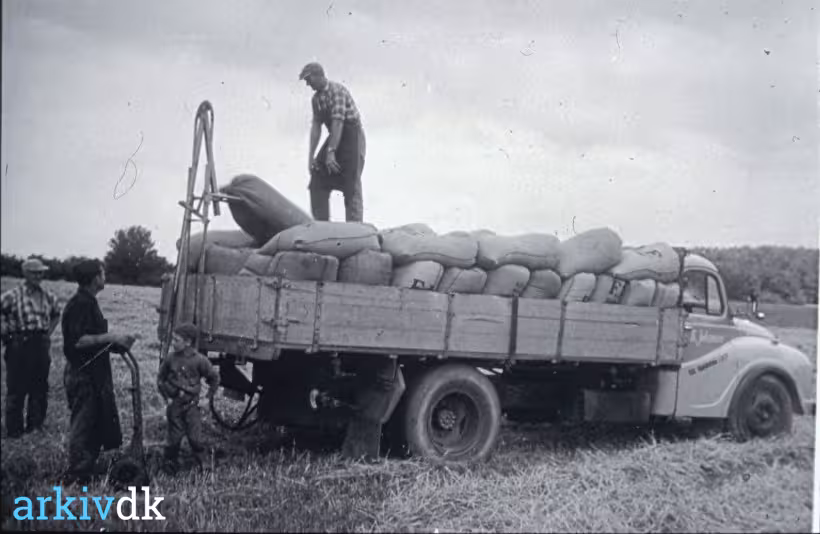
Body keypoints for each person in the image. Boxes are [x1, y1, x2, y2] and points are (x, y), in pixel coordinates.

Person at [61, 259, 136, 485]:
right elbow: (79, 341)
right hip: (83, 375)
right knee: (84, 423)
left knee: (93, 420)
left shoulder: (88, 302)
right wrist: (111, 337)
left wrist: (116, 344)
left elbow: (93, 340)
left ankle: (86, 469)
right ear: (94, 278)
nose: (105, 277)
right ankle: (76, 475)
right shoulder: (80, 304)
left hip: (93, 372)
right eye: (102, 274)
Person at [0, 258, 62, 438]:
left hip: (41, 345)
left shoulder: (48, 295)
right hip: (19, 344)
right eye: (35, 272)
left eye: (41, 272)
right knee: (17, 389)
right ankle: (14, 432)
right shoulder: (13, 295)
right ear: (25, 273)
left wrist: (47, 333)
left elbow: (56, 314)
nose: (39, 276)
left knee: (40, 389)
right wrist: (5, 329)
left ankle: (35, 430)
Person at [300, 62, 367, 222]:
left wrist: (331, 152)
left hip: (352, 136)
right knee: (317, 175)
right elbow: (316, 127)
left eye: (309, 80)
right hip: (335, 138)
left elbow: (338, 122)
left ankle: (355, 228)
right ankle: (322, 226)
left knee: (352, 182)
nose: (308, 84)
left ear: (318, 75)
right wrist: (311, 157)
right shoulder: (316, 100)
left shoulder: (337, 91)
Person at [157, 322, 219, 473]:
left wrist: (207, 398)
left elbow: (214, 378)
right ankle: (170, 465)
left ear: (188, 342)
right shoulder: (170, 359)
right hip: (175, 405)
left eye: (176, 340)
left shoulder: (199, 360)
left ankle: (205, 466)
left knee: (195, 438)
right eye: (172, 339)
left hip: (192, 405)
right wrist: (167, 397)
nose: (173, 343)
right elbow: (161, 379)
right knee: (174, 438)